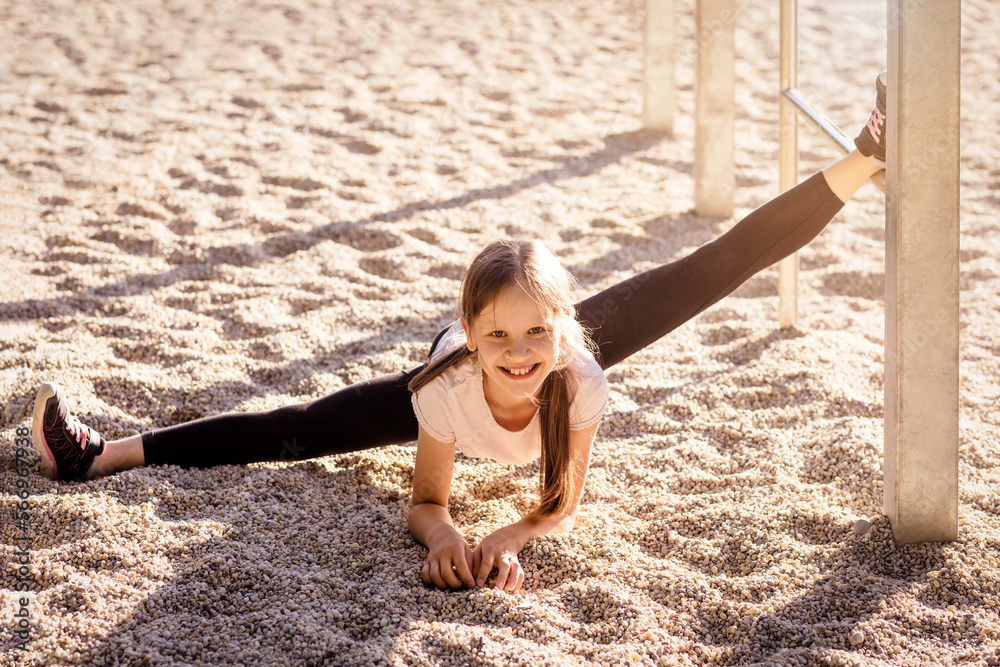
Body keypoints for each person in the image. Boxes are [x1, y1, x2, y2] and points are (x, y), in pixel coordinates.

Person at [31, 72, 889, 594]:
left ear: (562, 326)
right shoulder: (446, 383)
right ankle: (98, 454)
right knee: (299, 429)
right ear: (474, 338)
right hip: (446, 387)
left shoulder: (575, 372)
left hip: (563, 361)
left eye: (535, 333)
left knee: (708, 271)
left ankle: (866, 156)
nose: (519, 354)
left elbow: (559, 501)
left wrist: (509, 537)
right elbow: (428, 500)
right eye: (501, 338)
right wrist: (446, 537)